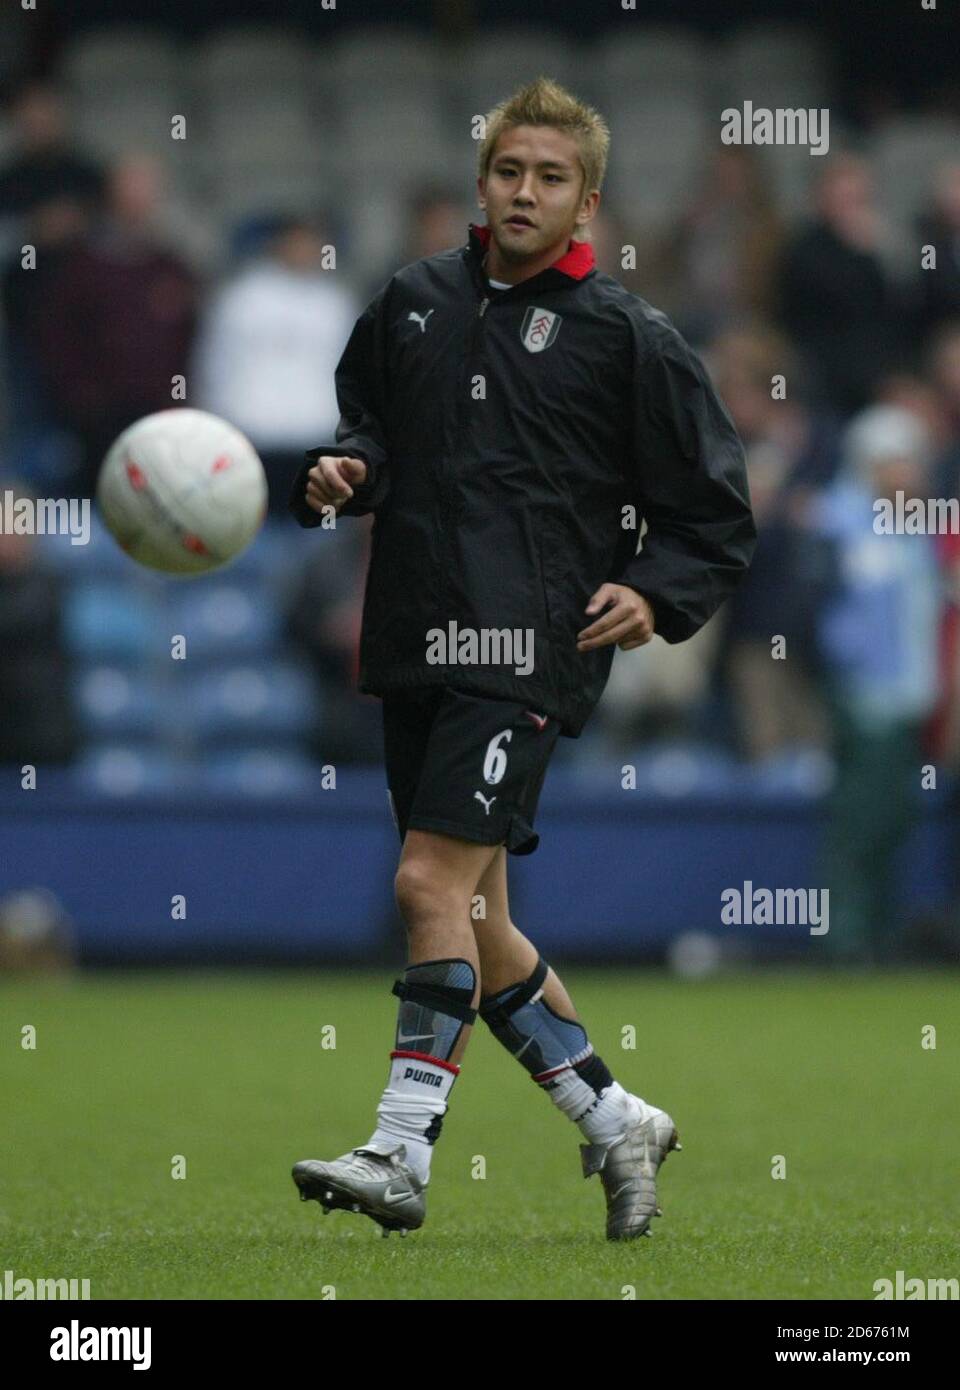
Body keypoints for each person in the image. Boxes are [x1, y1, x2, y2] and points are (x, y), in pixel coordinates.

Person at [287, 78, 756, 1241]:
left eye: (551, 177)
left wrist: (656, 592)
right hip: (414, 640)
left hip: (527, 650)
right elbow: (372, 434)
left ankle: (401, 1151)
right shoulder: (409, 303)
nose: (526, 192)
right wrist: (343, 473)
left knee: (424, 887)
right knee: (479, 924)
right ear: (482, 182)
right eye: (510, 171)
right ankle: (615, 1118)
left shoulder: (630, 337)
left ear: (588, 201)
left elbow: (717, 512)